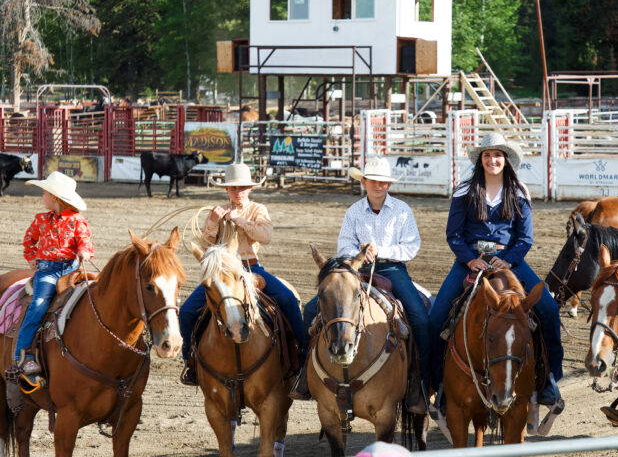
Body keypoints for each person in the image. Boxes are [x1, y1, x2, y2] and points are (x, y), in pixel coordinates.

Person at [429, 132, 564, 408]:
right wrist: (469, 259)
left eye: (498, 155)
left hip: (509, 259)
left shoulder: (519, 191)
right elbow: (453, 234)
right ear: (481, 159)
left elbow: (525, 238)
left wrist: (509, 260)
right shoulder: (465, 189)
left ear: (506, 160)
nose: (492, 160)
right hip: (471, 260)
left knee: (548, 309)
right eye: (487, 155)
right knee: (435, 317)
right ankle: (438, 383)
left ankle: (550, 379)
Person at [293, 157, 429, 413]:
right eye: (373, 181)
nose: (378, 186)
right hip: (355, 268)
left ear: (389, 184)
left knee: (420, 319)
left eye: (383, 182)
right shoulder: (354, 211)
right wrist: (359, 254)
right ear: (364, 182)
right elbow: (343, 245)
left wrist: (381, 250)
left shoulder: (402, 210)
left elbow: (411, 245)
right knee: (312, 310)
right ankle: (304, 373)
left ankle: (419, 383)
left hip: (392, 268)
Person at [179, 162, 306, 385]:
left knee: (287, 299)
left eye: (242, 188)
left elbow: (265, 236)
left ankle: (302, 355)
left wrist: (239, 220)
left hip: (250, 267)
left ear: (250, 188)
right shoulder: (217, 212)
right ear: (227, 190)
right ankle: (190, 362)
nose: (237, 192)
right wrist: (212, 223)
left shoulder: (258, 210)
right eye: (233, 188)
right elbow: (204, 245)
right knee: (187, 310)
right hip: (222, 272)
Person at [18, 172, 94, 374]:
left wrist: (84, 251)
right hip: (47, 271)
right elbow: (29, 239)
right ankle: (23, 354)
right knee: (38, 306)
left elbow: (84, 241)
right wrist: (31, 256)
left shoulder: (77, 220)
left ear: (54, 197)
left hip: (70, 269)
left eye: (44, 193)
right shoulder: (41, 219)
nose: (42, 197)